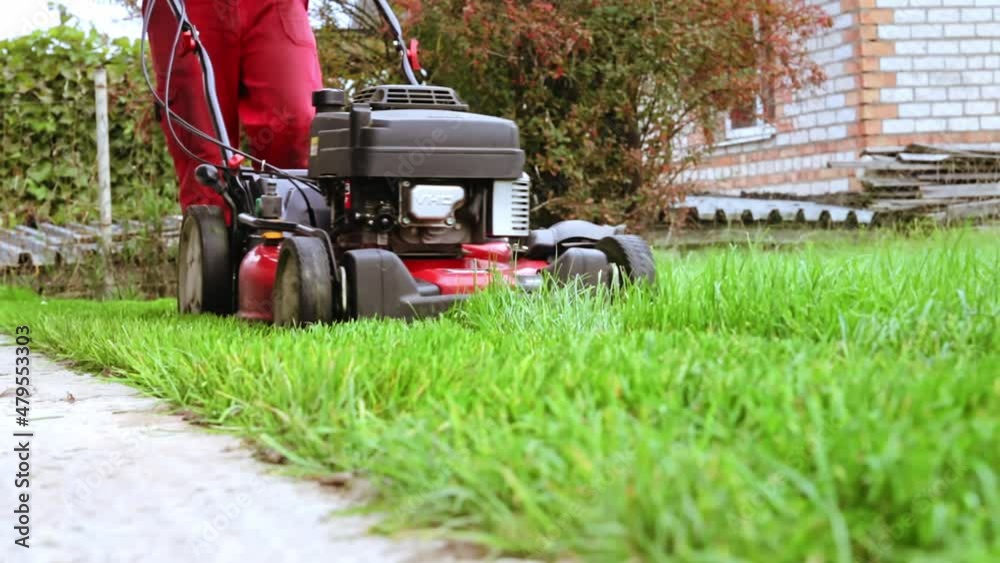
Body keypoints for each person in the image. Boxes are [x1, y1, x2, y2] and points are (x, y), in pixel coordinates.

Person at [143, 0, 323, 215]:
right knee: (205, 161)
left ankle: (293, 232)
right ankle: (218, 240)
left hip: (274, 6)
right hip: (188, 8)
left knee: (296, 123)